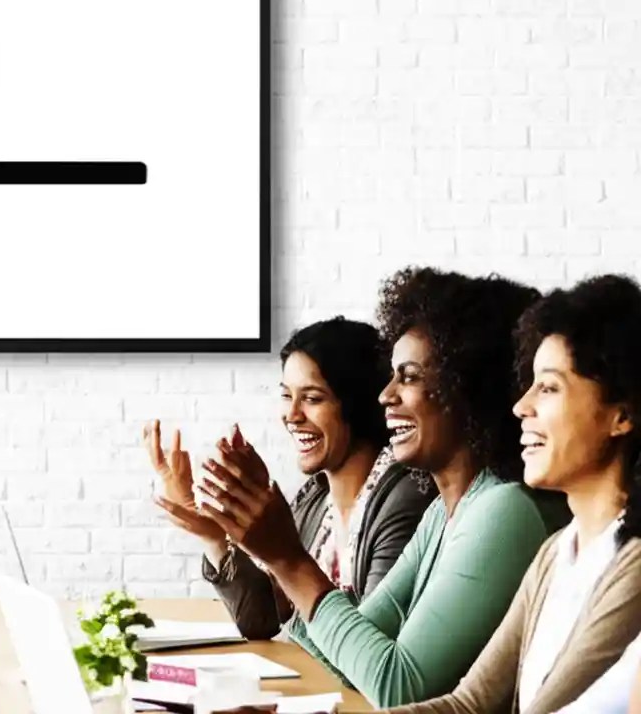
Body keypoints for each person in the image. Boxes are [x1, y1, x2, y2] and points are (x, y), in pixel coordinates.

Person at [166, 267, 570, 708]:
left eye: (409, 376)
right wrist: (270, 550)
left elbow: (398, 685)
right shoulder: (443, 512)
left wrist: (288, 560)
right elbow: (335, 656)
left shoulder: (505, 509)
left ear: (467, 386)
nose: (386, 395)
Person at [414, 275, 641, 714]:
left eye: (549, 387)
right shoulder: (555, 554)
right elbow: (468, 704)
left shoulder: (633, 561)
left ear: (622, 415)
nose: (521, 406)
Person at [152, 317, 437, 640]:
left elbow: (368, 645)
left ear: (357, 404)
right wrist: (215, 537)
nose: (291, 415)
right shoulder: (316, 498)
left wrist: (282, 556)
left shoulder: (405, 500)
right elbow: (262, 619)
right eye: (287, 396)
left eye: (312, 398)